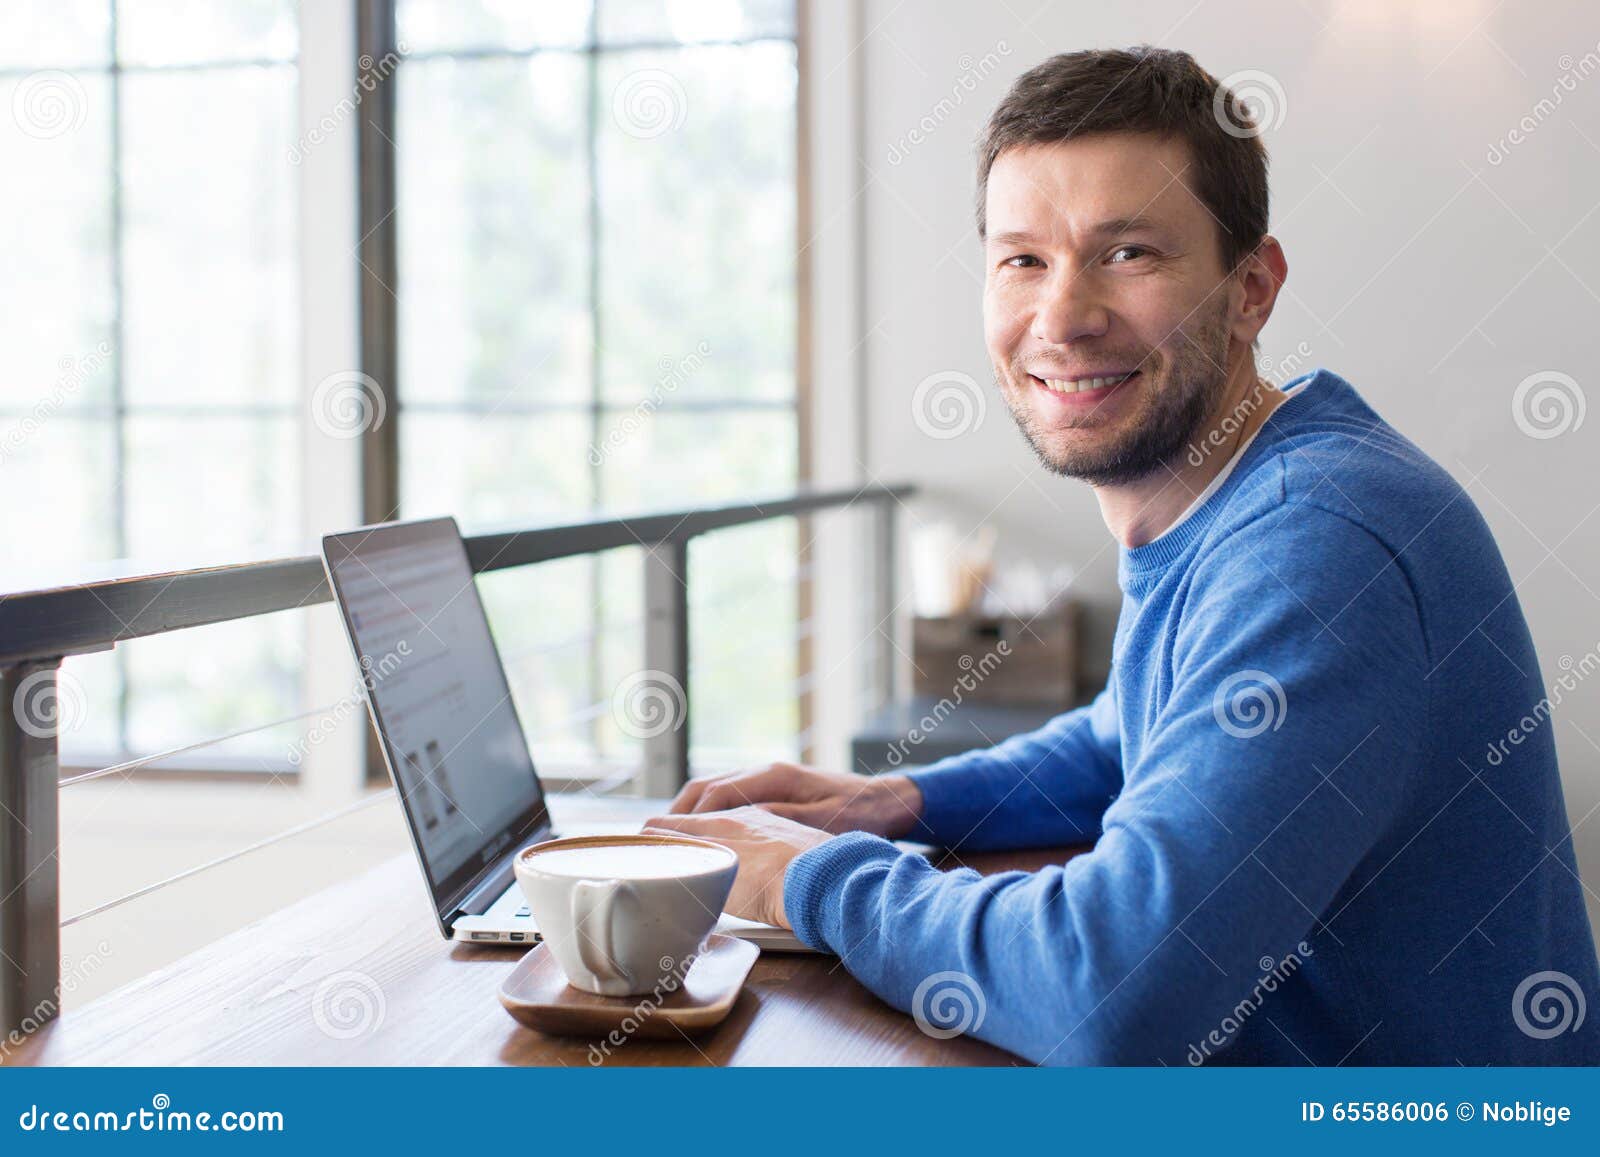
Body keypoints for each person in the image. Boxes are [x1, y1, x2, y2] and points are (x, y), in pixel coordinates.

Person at [646, 46, 1600, 1066]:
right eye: (1023, 260)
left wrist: (802, 877)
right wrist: (894, 801)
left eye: (1128, 252)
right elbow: (1127, 736)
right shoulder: (1234, 488)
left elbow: (1110, 995)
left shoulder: (1318, 546)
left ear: (1251, 289)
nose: (1062, 318)